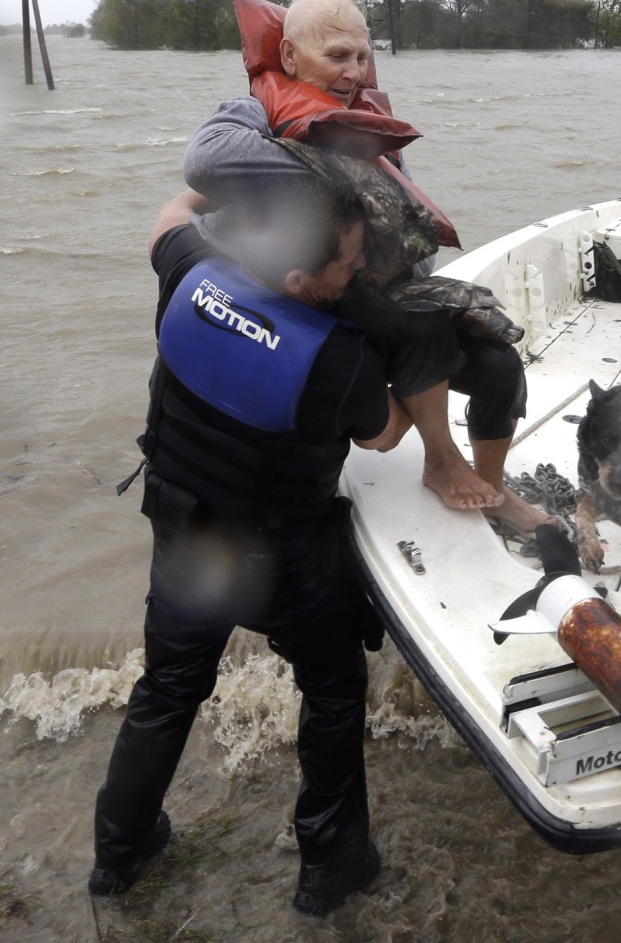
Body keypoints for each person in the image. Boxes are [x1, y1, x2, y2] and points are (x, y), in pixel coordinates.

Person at [88, 175, 414, 916]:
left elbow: (171, 212)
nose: (359, 269)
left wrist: (233, 187)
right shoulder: (337, 360)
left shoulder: (193, 273)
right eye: (348, 263)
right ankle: (330, 866)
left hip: (185, 536)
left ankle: (118, 853)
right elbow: (386, 435)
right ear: (298, 279)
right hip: (286, 563)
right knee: (332, 690)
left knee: (168, 687)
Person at [184, 0, 552, 537]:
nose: (353, 72)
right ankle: (442, 461)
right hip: (314, 299)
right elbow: (204, 159)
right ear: (289, 56)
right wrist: (335, 175)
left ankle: (493, 486)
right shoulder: (254, 109)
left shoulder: (367, 119)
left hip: (374, 294)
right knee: (422, 323)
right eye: (336, 56)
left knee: (499, 364)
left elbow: (406, 234)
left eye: (361, 56)